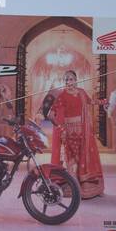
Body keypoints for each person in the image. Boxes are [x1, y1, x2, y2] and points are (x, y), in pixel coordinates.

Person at [47, 70, 104, 198]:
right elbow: (51, 114)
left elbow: (91, 102)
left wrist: (104, 102)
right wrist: (60, 128)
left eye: (71, 79)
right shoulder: (61, 95)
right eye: (66, 80)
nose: (68, 82)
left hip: (83, 131)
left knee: (83, 157)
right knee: (71, 160)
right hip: (68, 133)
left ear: (76, 80)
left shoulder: (82, 93)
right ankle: (74, 187)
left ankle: (87, 186)